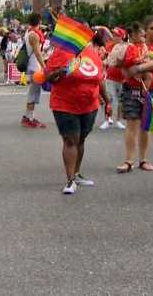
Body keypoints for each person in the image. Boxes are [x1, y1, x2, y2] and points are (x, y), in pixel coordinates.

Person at [46, 28, 108, 195]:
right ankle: (70, 180)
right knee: (71, 140)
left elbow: (99, 79)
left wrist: (107, 101)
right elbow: (47, 77)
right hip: (65, 105)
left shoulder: (92, 53)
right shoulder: (62, 52)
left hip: (89, 105)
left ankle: (77, 174)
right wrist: (60, 72)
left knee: (80, 139)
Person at [115, 21, 153, 174]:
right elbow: (123, 66)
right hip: (131, 89)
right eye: (151, 28)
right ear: (144, 31)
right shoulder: (133, 46)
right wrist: (127, 68)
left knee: (146, 126)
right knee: (131, 125)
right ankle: (128, 161)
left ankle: (143, 160)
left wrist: (137, 68)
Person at [21, 14, 48, 128]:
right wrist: (44, 67)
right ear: (39, 21)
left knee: (34, 92)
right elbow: (37, 53)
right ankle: (28, 118)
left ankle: (28, 116)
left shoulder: (30, 32)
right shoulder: (34, 35)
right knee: (33, 92)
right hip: (34, 67)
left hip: (34, 66)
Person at [100, 28, 128, 130]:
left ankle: (118, 121)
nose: (114, 37)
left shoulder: (127, 47)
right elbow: (104, 59)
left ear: (122, 36)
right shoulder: (109, 45)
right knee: (109, 99)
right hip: (110, 77)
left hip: (123, 78)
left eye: (116, 35)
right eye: (113, 34)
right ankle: (107, 120)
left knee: (121, 100)